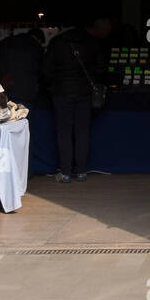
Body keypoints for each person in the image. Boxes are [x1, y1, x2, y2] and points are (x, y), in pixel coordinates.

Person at [41, 21, 105, 182]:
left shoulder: (57, 42)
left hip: (61, 92)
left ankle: (66, 172)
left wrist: (54, 85)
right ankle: (82, 171)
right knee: (82, 131)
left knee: (64, 133)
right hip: (84, 92)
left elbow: (46, 71)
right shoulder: (91, 42)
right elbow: (101, 68)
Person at [0, 28, 43, 108]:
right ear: (38, 39)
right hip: (27, 92)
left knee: (4, 117)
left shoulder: (4, 42)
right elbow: (43, 70)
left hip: (4, 89)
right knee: (23, 117)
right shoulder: (36, 47)